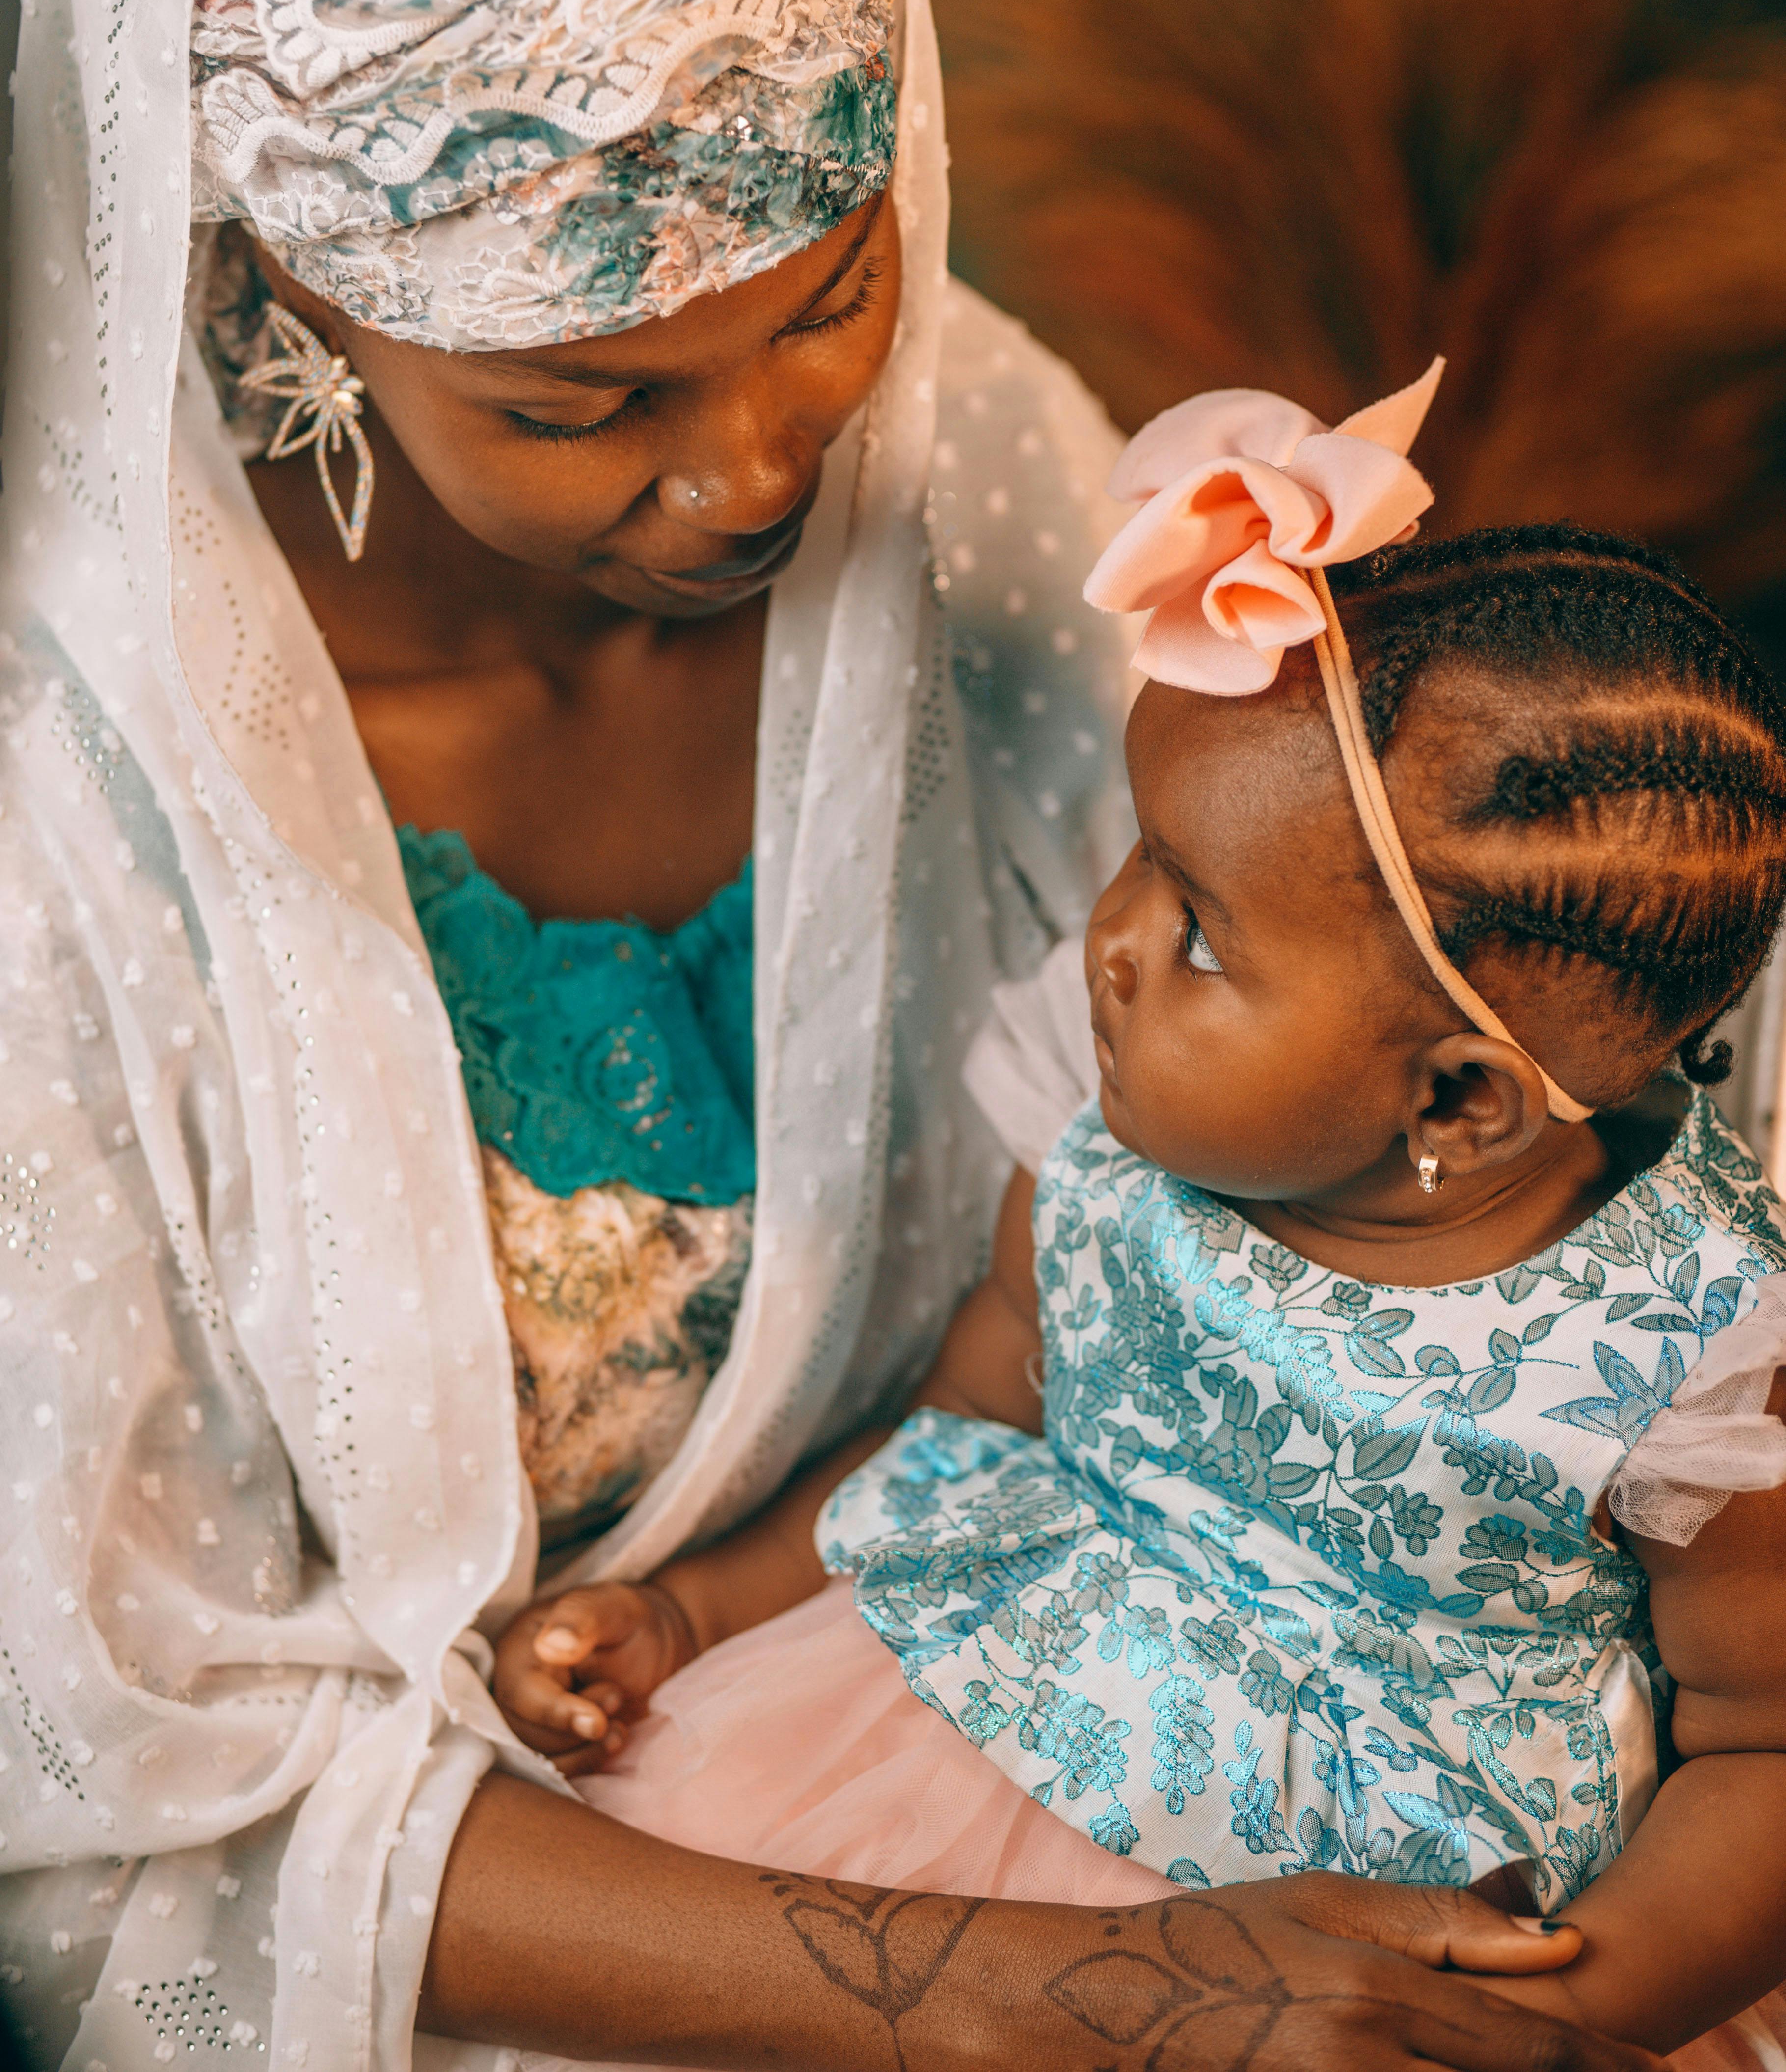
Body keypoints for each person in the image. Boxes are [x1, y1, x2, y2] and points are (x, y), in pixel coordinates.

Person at [0, 0, 1663, 2072]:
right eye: (588, 397)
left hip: (1089, 1715)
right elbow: (114, 1813)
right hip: (514, 1930)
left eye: (832, 292)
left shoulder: (963, 458)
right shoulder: (64, 806)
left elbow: (1392, 1061)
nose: (766, 468)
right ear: (287, 296)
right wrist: (1086, 1997)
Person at [493, 383, 1786, 2060]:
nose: (1108, 938)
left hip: (1404, 1918)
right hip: (946, 1744)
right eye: (1143, 858)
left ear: (1456, 1102)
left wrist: (1580, 2018)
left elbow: (1761, 1749)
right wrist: (696, 1611)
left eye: (1200, 934)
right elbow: (964, 1422)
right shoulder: (1108, 1131)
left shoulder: (1690, 1355)